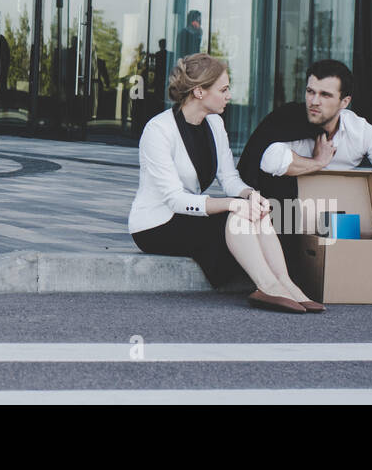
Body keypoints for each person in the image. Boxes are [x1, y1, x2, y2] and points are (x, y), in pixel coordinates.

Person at [238, 58, 372, 307]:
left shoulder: (359, 130)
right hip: (291, 217)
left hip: (340, 218)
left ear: (344, 102)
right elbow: (268, 161)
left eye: (325, 95)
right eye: (310, 92)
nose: (314, 101)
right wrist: (317, 162)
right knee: (279, 180)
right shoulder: (289, 119)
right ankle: (288, 277)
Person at [129, 53, 326, 313]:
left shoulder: (214, 123)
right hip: (156, 224)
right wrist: (232, 204)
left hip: (189, 215)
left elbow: (229, 178)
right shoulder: (159, 130)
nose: (229, 95)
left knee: (256, 210)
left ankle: (286, 284)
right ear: (199, 92)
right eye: (223, 89)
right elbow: (174, 199)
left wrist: (249, 195)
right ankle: (267, 287)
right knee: (237, 215)